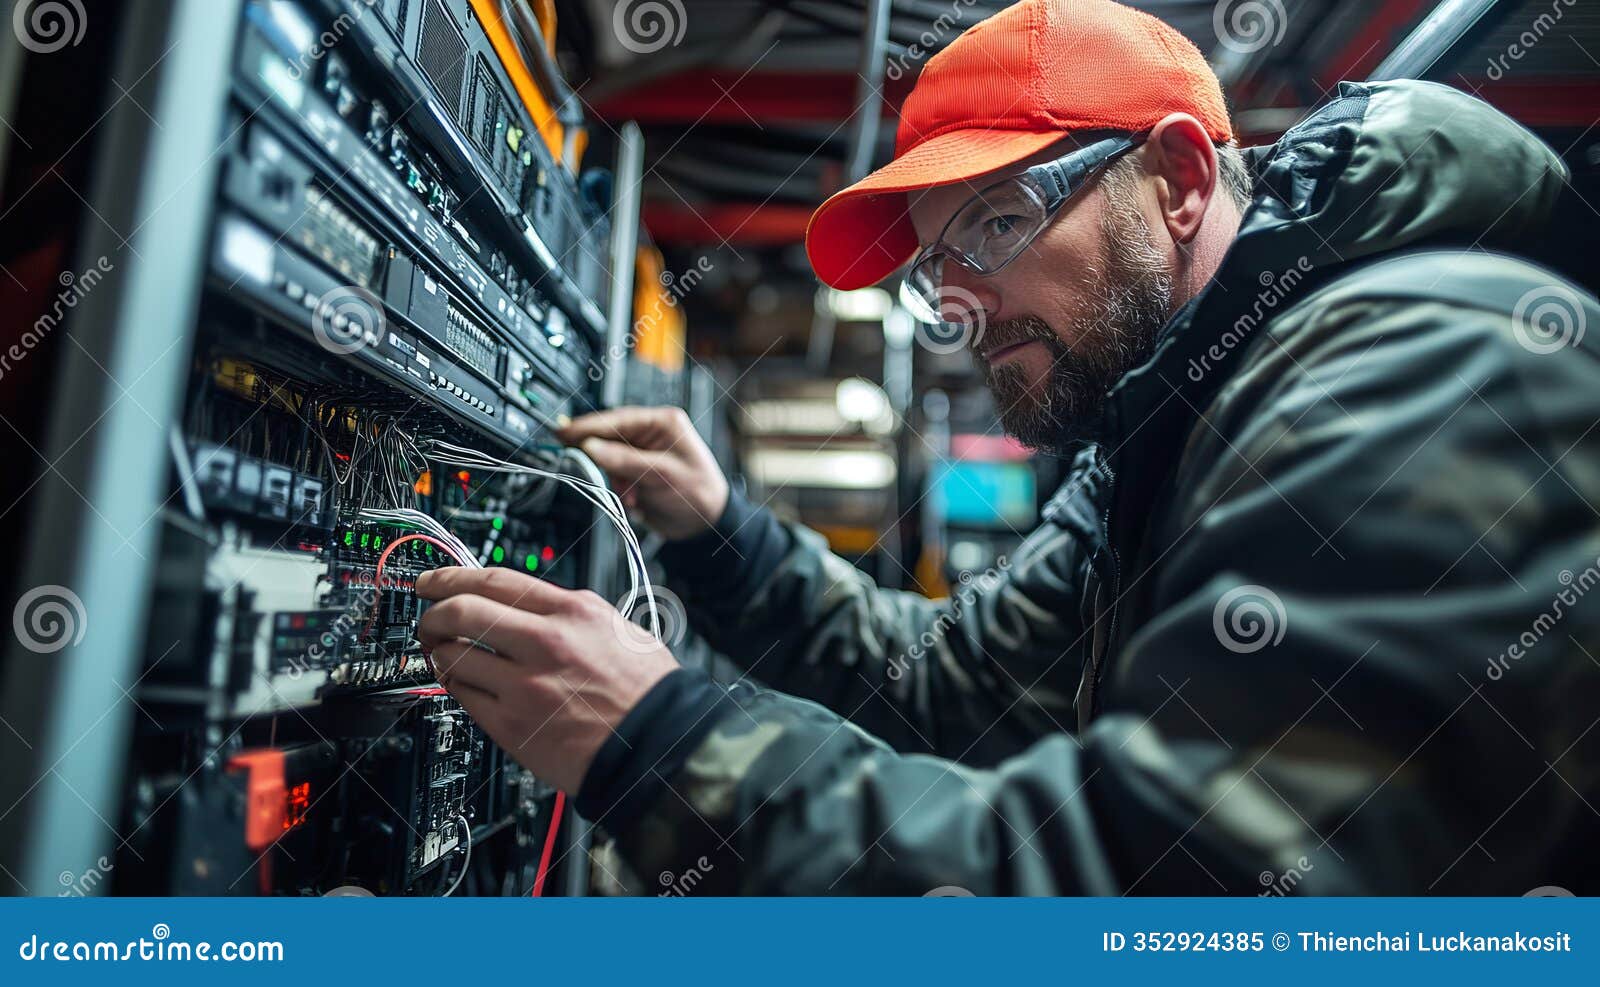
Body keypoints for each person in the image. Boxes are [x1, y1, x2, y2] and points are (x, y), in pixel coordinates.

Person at [414, 0, 1600, 894]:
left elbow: (1172, 889)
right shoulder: (1149, 439)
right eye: (941, 265)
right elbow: (944, 691)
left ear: (1179, 179)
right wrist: (720, 532)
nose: (962, 306)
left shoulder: (1426, 363)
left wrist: (662, 746)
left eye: (997, 222)